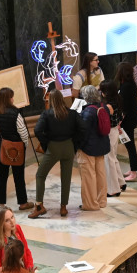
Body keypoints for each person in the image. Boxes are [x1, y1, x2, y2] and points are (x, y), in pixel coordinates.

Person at [33, 89, 83, 218]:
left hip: (53, 147)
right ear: (62, 99)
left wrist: (46, 144)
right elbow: (83, 128)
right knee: (66, 178)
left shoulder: (47, 114)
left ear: (51, 101)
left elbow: (37, 130)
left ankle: (39, 206)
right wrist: (75, 144)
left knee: (40, 175)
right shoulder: (72, 113)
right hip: (68, 147)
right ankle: (63, 208)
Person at [0, 88, 34, 211]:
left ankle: (0, 204)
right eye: (12, 97)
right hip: (15, 149)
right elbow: (23, 133)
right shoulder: (16, 113)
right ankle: (23, 203)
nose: (13, 99)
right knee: (18, 175)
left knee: (1, 176)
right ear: (8, 99)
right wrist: (24, 146)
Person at [76, 85, 110, 212]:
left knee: (88, 176)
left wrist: (78, 146)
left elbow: (83, 133)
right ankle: (101, 201)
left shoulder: (88, 112)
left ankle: (90, 204)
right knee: (101, 174)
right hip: (101, 147)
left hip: (88, 149)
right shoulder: (104, 107)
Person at [0, 204, 35, 272]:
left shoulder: (17, 228)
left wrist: (29, 268)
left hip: (23, 271)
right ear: (0, 223)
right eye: (7, 220)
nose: (12, 222)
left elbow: (26, 251)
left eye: (12, 217)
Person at [100, 80, 127, 197]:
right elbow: (122, 115)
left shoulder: (108, 106)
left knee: (109, 159)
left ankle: (113, 189)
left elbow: (104, 121)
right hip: (115, 130)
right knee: (113, 157)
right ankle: (121, 182)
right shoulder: (119, 99)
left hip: (110, 132)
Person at [116, 62, 137, 182]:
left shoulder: (126, 87)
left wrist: (119, 122)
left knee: (130, 145)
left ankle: (134, 172)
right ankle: (132, 169)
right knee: (128, 144)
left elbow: (124, 107)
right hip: (131, 117)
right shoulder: (129, 84)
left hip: (129, 119)